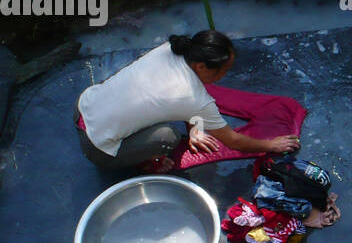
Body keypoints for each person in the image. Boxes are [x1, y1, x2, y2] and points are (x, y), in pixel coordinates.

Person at [73, 30, 299, 172]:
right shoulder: (195, 99)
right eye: (223, 71)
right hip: (100, 151)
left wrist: (196, 129)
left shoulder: (168, 50)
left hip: (83, 108)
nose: (223, 77)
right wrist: (271, 144)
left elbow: (182, 106)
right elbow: (234, 142)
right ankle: (147, 163)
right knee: (168, 137)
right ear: (201, 66)